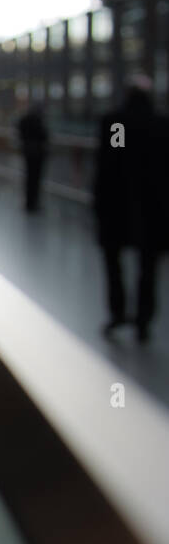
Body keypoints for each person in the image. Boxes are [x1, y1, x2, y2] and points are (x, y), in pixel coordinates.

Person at [94, 77, 169, 344]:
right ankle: (143, 319)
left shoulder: (116, 123)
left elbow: (110, 161)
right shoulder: (160, 124)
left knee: (113, 262)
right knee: (148, 268)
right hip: (154, 209)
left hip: (117, 205)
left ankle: (118, 312)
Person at [17, 104, 50, 214]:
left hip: (29, 152)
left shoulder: (24, 120)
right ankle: (32, 203)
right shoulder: (37, 122)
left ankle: (30, 202)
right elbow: (44, 135)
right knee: (34, 179)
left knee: (30, 179)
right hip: (36, 153)